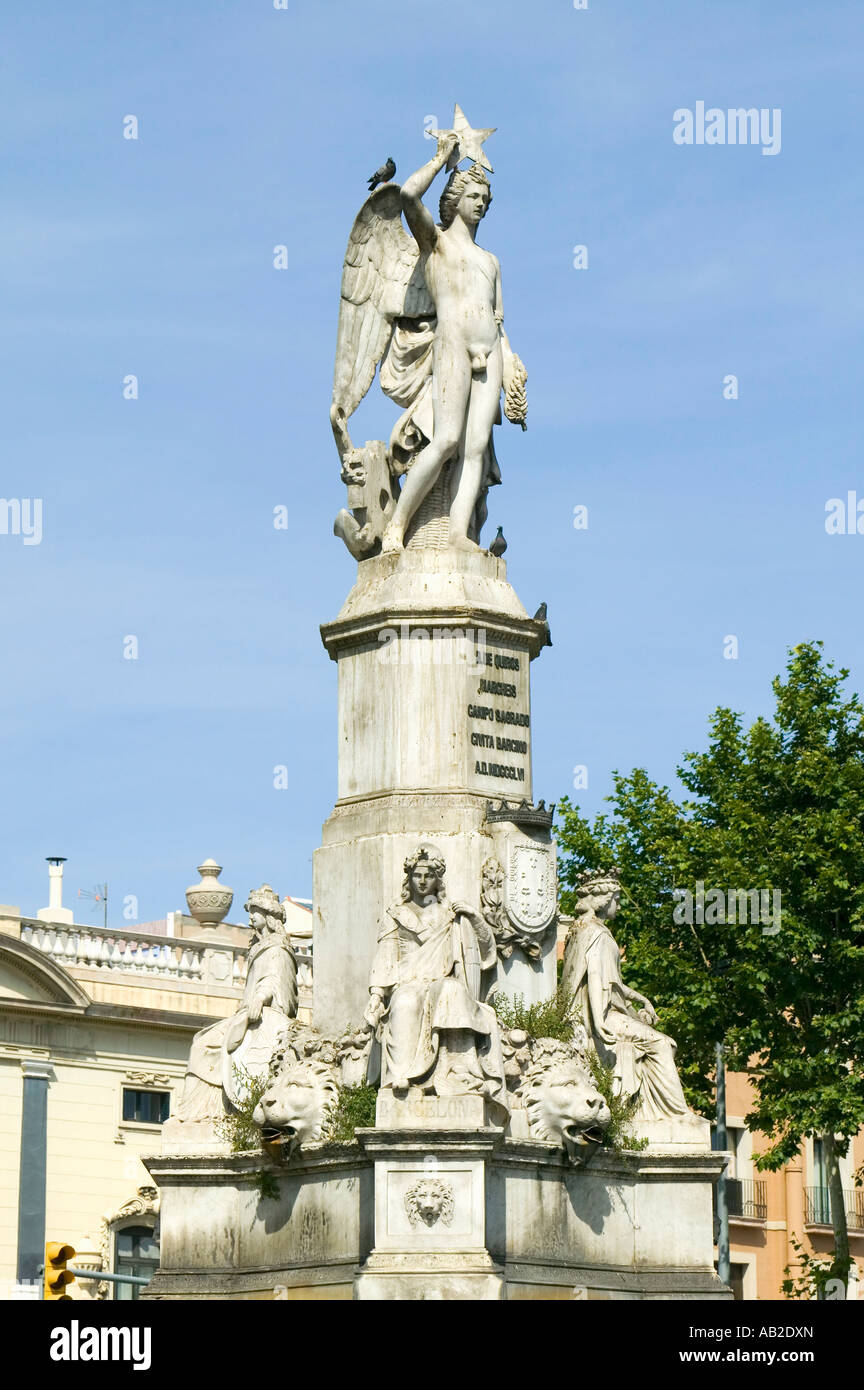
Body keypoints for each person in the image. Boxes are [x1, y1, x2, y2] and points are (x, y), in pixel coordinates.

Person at [380, 132, 526, 553]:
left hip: (489, 349)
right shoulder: (437, 243)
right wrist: (440, 156)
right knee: (446, 440)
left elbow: (499, 322)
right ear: (455, 199)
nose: (481, 202)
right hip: (453, 342)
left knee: (475, 447)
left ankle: (458, 534)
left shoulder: (491, 261)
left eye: (486, 198)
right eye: (474, 195)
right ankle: (397, 526)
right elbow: (408, 195)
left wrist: (512, 364)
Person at [363, 843, 506, 1109]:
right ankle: (403, 1076)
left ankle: (459, 1070)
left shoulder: (450, 915)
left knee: (453, 991)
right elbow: (385, 956)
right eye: (417, 875)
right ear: (409, 877)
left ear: (438, 878)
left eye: (428, 875)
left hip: (441, 980)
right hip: (407, 982)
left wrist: (475, 917)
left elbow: (486, 953)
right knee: (405, 1002)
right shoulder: (396, 915)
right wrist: (376, 994)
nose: (422, 881)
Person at [561, 870, 691, 1120]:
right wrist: (599, 1022)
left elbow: (613, 983)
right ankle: (676, 1114)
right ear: (603, 900)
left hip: (599, 1011)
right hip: (600, 1015)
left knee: (657, 1040)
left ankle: (651, 1112)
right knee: (663, 1044)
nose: (618, 906)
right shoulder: (597, 935)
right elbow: (597, 979)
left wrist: (641, 999)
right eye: (616, 900)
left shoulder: (583, 930)